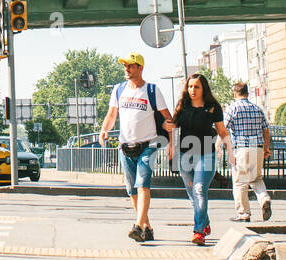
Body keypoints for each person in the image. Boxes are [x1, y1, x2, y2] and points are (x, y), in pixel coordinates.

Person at [98, 51, 171, 243]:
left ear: (140, 68)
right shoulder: (119, 90)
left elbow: (167, 117)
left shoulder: (152, 90)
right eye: (125, 66)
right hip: (125, 146)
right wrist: (104, 130)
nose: (127, 69)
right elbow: (112, 114)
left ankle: (138, 227)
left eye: (130, 66)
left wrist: (168, 128)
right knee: (132, 190)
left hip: (148, 145)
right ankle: (147, 226)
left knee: (143, 184)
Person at [171, 73, 230, 246]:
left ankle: (199, 232)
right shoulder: (182, 106)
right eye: (190, 86)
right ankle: (205, 224)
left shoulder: (212, 107)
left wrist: (232, 153)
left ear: (203, 88)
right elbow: (174, 127)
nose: (192, 90)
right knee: (192, 195)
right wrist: (172, 152)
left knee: (199, 190)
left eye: (196, 86)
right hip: (184, 156)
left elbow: (222, 132)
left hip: (206, 155)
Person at [225, 81, 272, 222]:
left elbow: (224, 129)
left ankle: (243, 213)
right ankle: (264, 199)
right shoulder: (257, 109)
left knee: (240, 182)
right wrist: (266, 148)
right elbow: (266, 130)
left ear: (234, 93)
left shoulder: (232, 108)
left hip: (241, 149)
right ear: (247, 93)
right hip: (257, 148)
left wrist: (224, 148)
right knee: (256, 178)